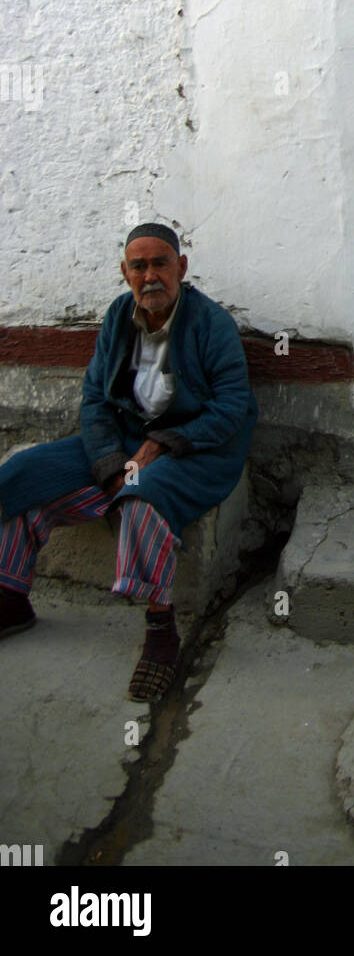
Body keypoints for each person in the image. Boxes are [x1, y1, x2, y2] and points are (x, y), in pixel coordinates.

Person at [0, 223, 258, 700]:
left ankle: (161, 632)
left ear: (181, 267)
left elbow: (231, 408)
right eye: (138, 266)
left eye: (161, 263)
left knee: (142, 499)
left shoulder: (210, 323)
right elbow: (95, 398)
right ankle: (10, 597)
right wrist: (111, 462)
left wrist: (161, 445)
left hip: (196, 447)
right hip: (123, 438)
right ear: (125, 273)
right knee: (21, 476)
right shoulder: (119, 316)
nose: (151, 275)